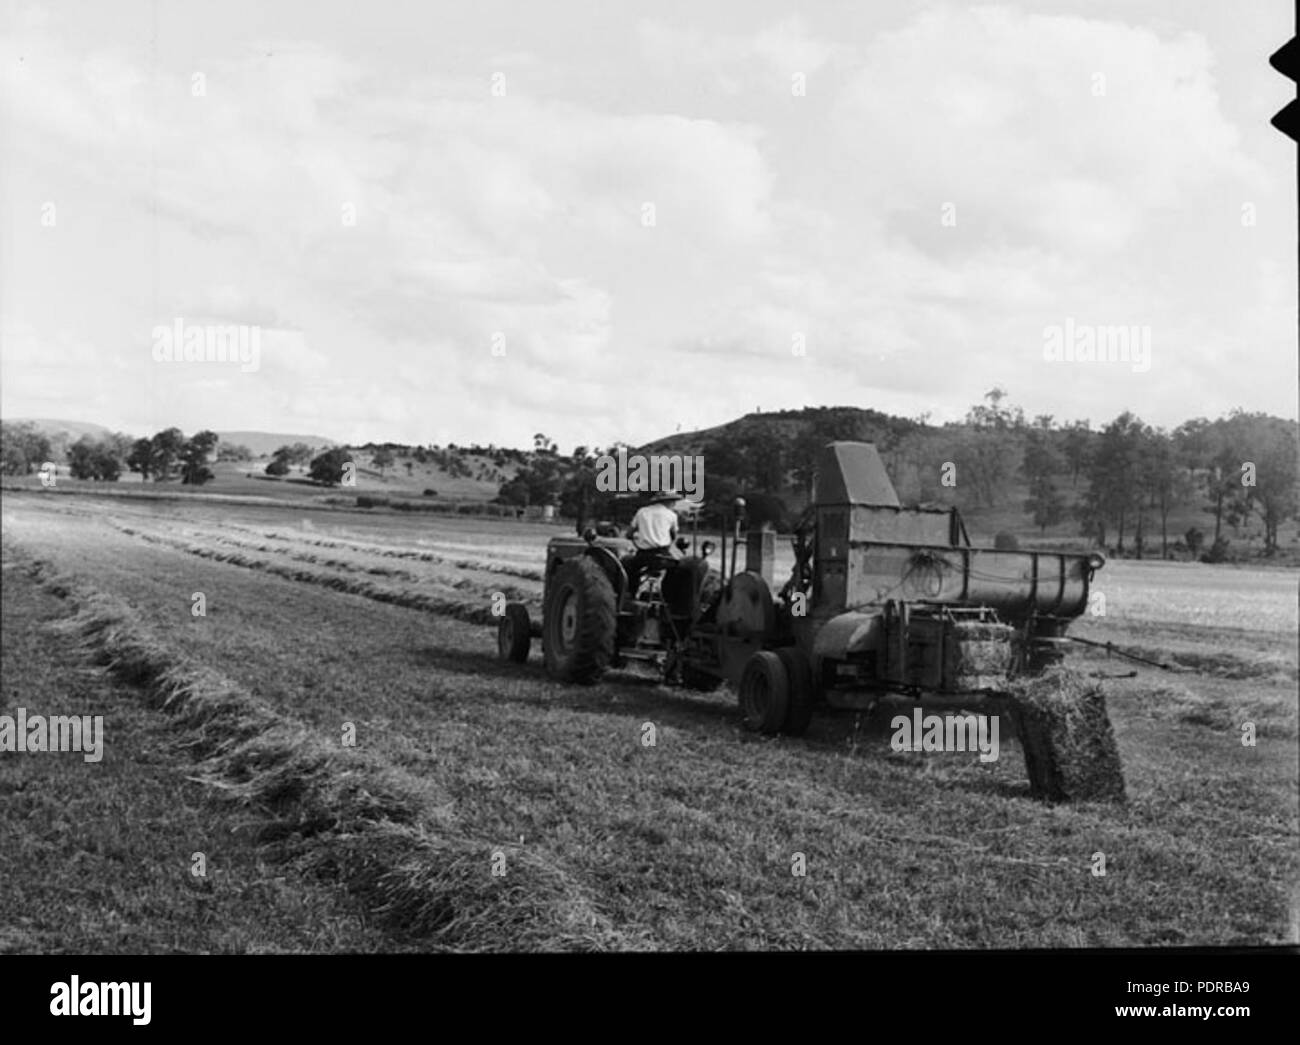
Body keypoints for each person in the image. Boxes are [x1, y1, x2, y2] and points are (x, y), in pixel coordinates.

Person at [624, 490, 680, 595]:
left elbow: (629, 534)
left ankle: (630, 593)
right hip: (663, 556)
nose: (674, 504)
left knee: (628, 565)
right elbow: (674, 536)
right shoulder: (672, 515)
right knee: (675, 569)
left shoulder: (642, 512)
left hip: (643, 556)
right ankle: (667, 594)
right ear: (668, 501)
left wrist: (635, 537)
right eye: (674, 501)